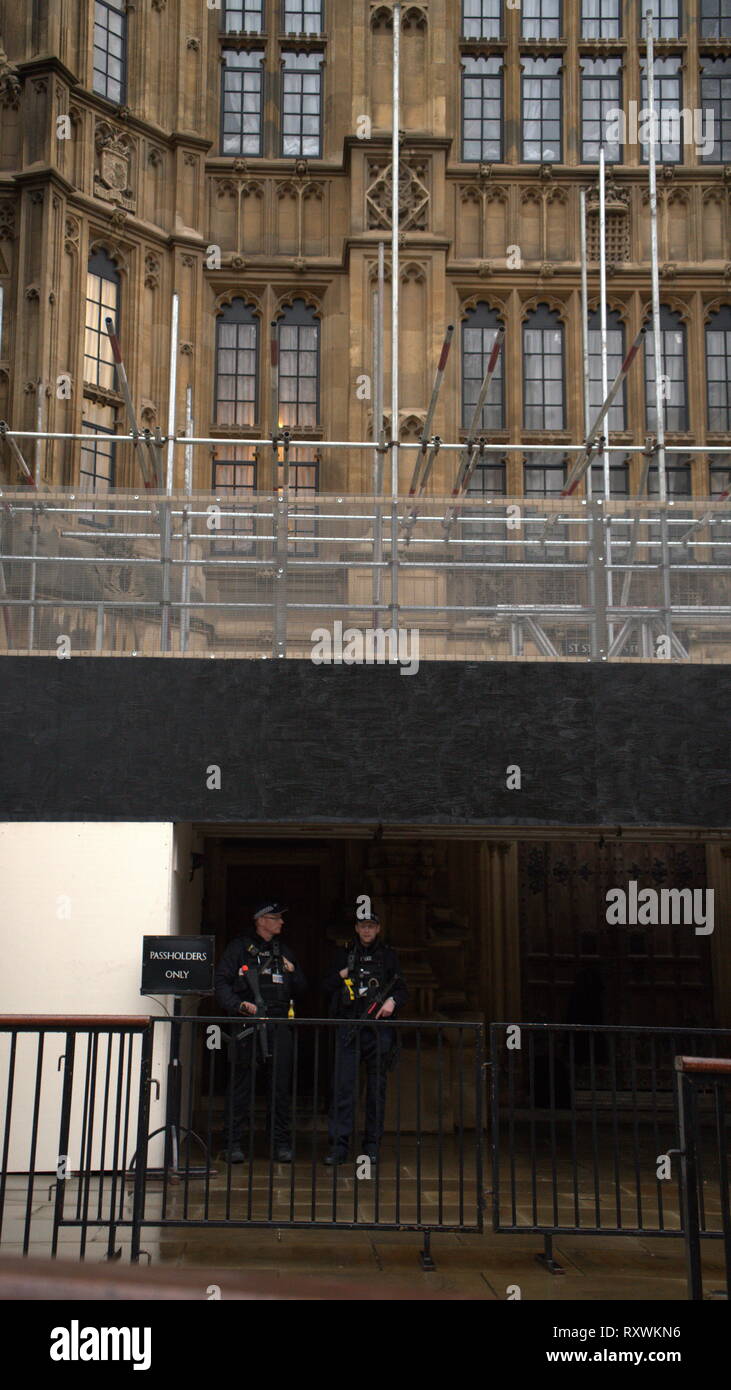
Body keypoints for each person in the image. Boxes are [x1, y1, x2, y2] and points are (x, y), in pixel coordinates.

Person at [214, 900, 307, 1164]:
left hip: (278, 1023)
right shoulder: (239, 948)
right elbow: (221, 982)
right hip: (248, 1023)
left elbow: (301, 988)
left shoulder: (283, 951)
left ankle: (280, 1144)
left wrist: (293, 971)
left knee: (279, 1086)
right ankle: (233, 1143)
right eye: (276, 918)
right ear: (261, 920)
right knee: (241, 1085)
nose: (281, 922)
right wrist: (238, 1005)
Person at [322, 912, 407, 1166]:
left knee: (376, 1092)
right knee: (343, 1089)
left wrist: (392, 1001)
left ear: (378, 928)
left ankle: (372, 1146)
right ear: (356, 929)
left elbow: (402, 988)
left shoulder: (389, 957)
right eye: (362, 926)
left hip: (378, 1030)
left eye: (371, 926)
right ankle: (339, 1147)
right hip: (350, 1027)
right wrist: (342, 974)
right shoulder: (344, 954)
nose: (367, 931)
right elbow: (325, 985)